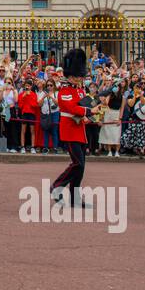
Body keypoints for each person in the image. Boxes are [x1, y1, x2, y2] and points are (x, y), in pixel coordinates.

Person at [51, 48, 89, 206]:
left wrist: (95, 108)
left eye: (79, 76)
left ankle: (75, 198)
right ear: (70, 76)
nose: (79, 79)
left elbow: (85, 103)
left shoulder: (79, 90)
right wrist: (87, 111)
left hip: (80, 130)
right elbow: (71, 108)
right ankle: (56, 186)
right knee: (77, 164)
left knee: (81, 168)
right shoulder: (64, 90)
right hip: (69, 131)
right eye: (76, 76)